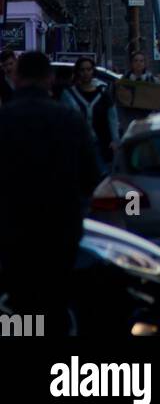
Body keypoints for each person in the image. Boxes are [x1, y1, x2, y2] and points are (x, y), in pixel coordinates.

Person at [0, 50, 102, 335]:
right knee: (55, 306)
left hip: (14, 235)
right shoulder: (69, 120)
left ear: (17, 78)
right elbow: (92, 177)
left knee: (21, 310)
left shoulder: (4, 120)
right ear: (48, 80)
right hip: (60, 233)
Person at [60, 56, 119, 171]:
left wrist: (115, 140)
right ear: (77, 72)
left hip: (102, 144)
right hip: (78, 145)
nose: (86, 73)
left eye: (88, 69)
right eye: (82, 70)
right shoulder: (69, 94)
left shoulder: (103, 92)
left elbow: (112, 117)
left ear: (93, 71)